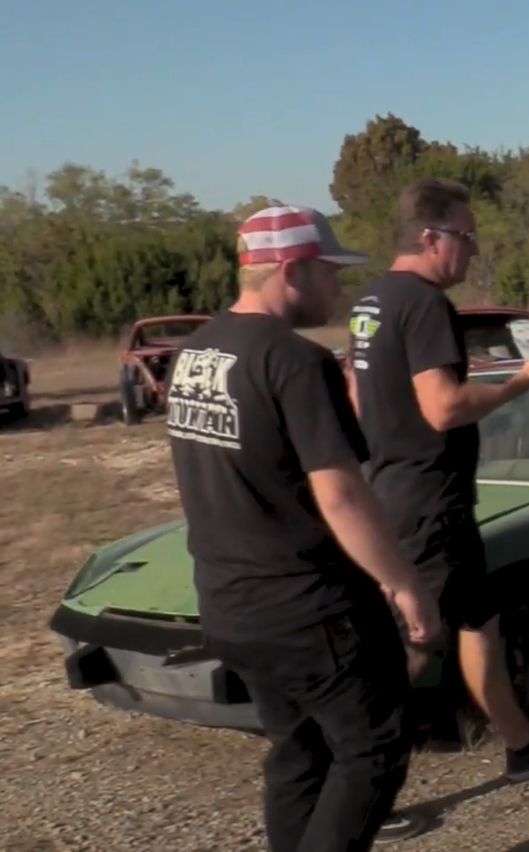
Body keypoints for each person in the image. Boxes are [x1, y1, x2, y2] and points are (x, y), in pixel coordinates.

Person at [165, 204, 440, 851]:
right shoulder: (295, 362)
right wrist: (404, 584)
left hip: (230, 604)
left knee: (301, 751)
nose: (338, 288)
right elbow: (341, 495)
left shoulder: (195, 353)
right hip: (308, 610)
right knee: (374, 747)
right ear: (292, 270)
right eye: (330, 273)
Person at [346, 176, 529, 783]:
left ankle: (523, 743)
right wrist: (521, 385)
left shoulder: (371, 302)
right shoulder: (426, 306)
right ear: (430, 238)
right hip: (427, 502)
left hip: (397, 486)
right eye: (466, 237)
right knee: (415, 642)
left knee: (481, 620)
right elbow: (444, 407)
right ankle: (355, 778)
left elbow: (354, 391)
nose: (472, 250)